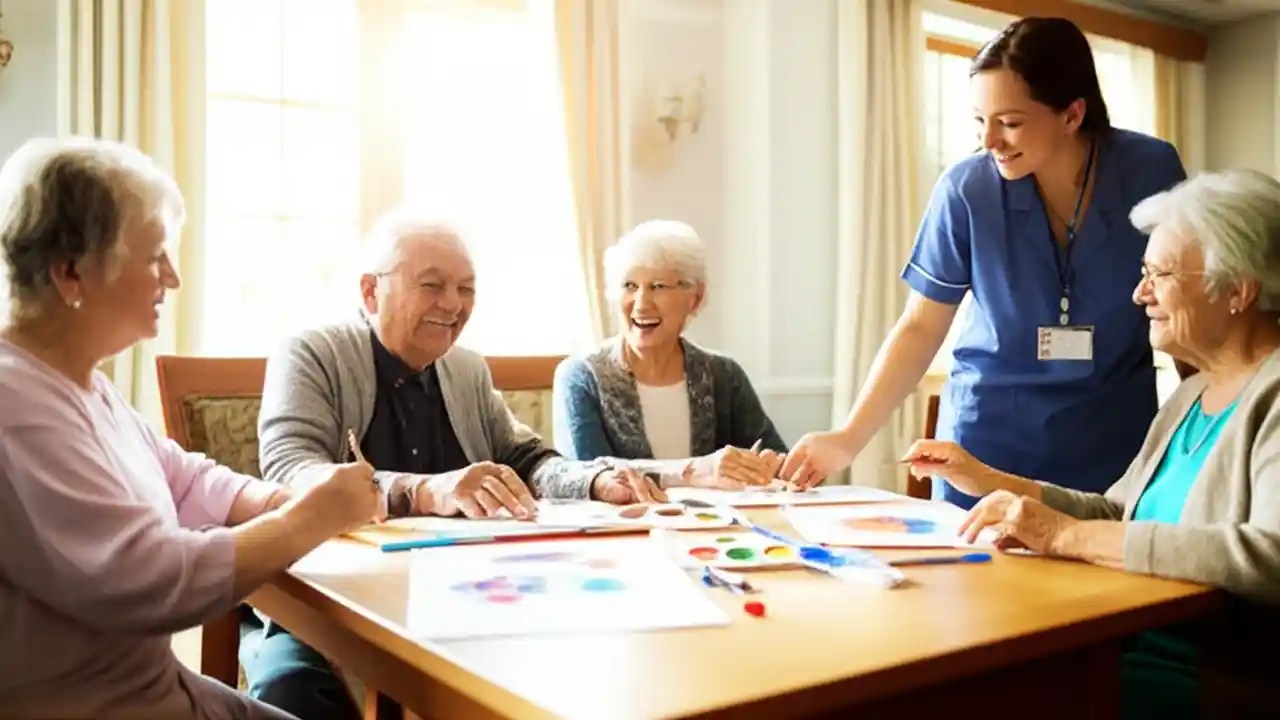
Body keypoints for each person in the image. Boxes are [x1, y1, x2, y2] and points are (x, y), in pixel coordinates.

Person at [0, 137, 380, 719]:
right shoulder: (15, 403)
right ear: (70, 273)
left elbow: (184, 479)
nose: (172, 278)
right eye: (154, 256)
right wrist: (310, 516)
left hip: (159, 695)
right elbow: (150, 579)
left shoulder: (82, 384)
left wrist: (277, 498)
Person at [246, 210, 664, 720]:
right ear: (370, 292)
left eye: (466, 288)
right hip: (334, 600)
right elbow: (291, 470)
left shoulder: (466, 368)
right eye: (432, 285)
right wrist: (427, 491)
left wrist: (594, 480)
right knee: (294, 693)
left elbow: (525, 457)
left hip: (465, 597)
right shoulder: (313, 352)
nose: (453, 304)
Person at [902, 169, 1280, 718]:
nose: (1139, 293)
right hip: (1123, 647)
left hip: (1209, 681)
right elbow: (1115, 513)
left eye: (1159, 274)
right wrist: (992, 482)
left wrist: (1067, 535)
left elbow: (1270, 557)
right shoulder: (1192, 393)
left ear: (1238, 290)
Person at [781, 17, 1187, 507]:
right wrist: (847, 438)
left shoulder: (1150, 170)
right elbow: (921, 326)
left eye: (1010, 122)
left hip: (1112, 449)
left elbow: (1186, 301)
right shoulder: (967, 190)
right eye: (980, 121)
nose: (989, 140)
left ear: (1072, 115)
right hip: (987, 453)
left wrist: (1214, 427)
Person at [554, 219, 784, 489]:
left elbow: (776, 458)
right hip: (628, 529)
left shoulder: (724, 375)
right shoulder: (582, 376)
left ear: (695, 298)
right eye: (629, 286)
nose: (641, 304)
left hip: (714, 529)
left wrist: (771, 465)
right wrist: (696, 471)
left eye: (658, 286)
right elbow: (591, 477)